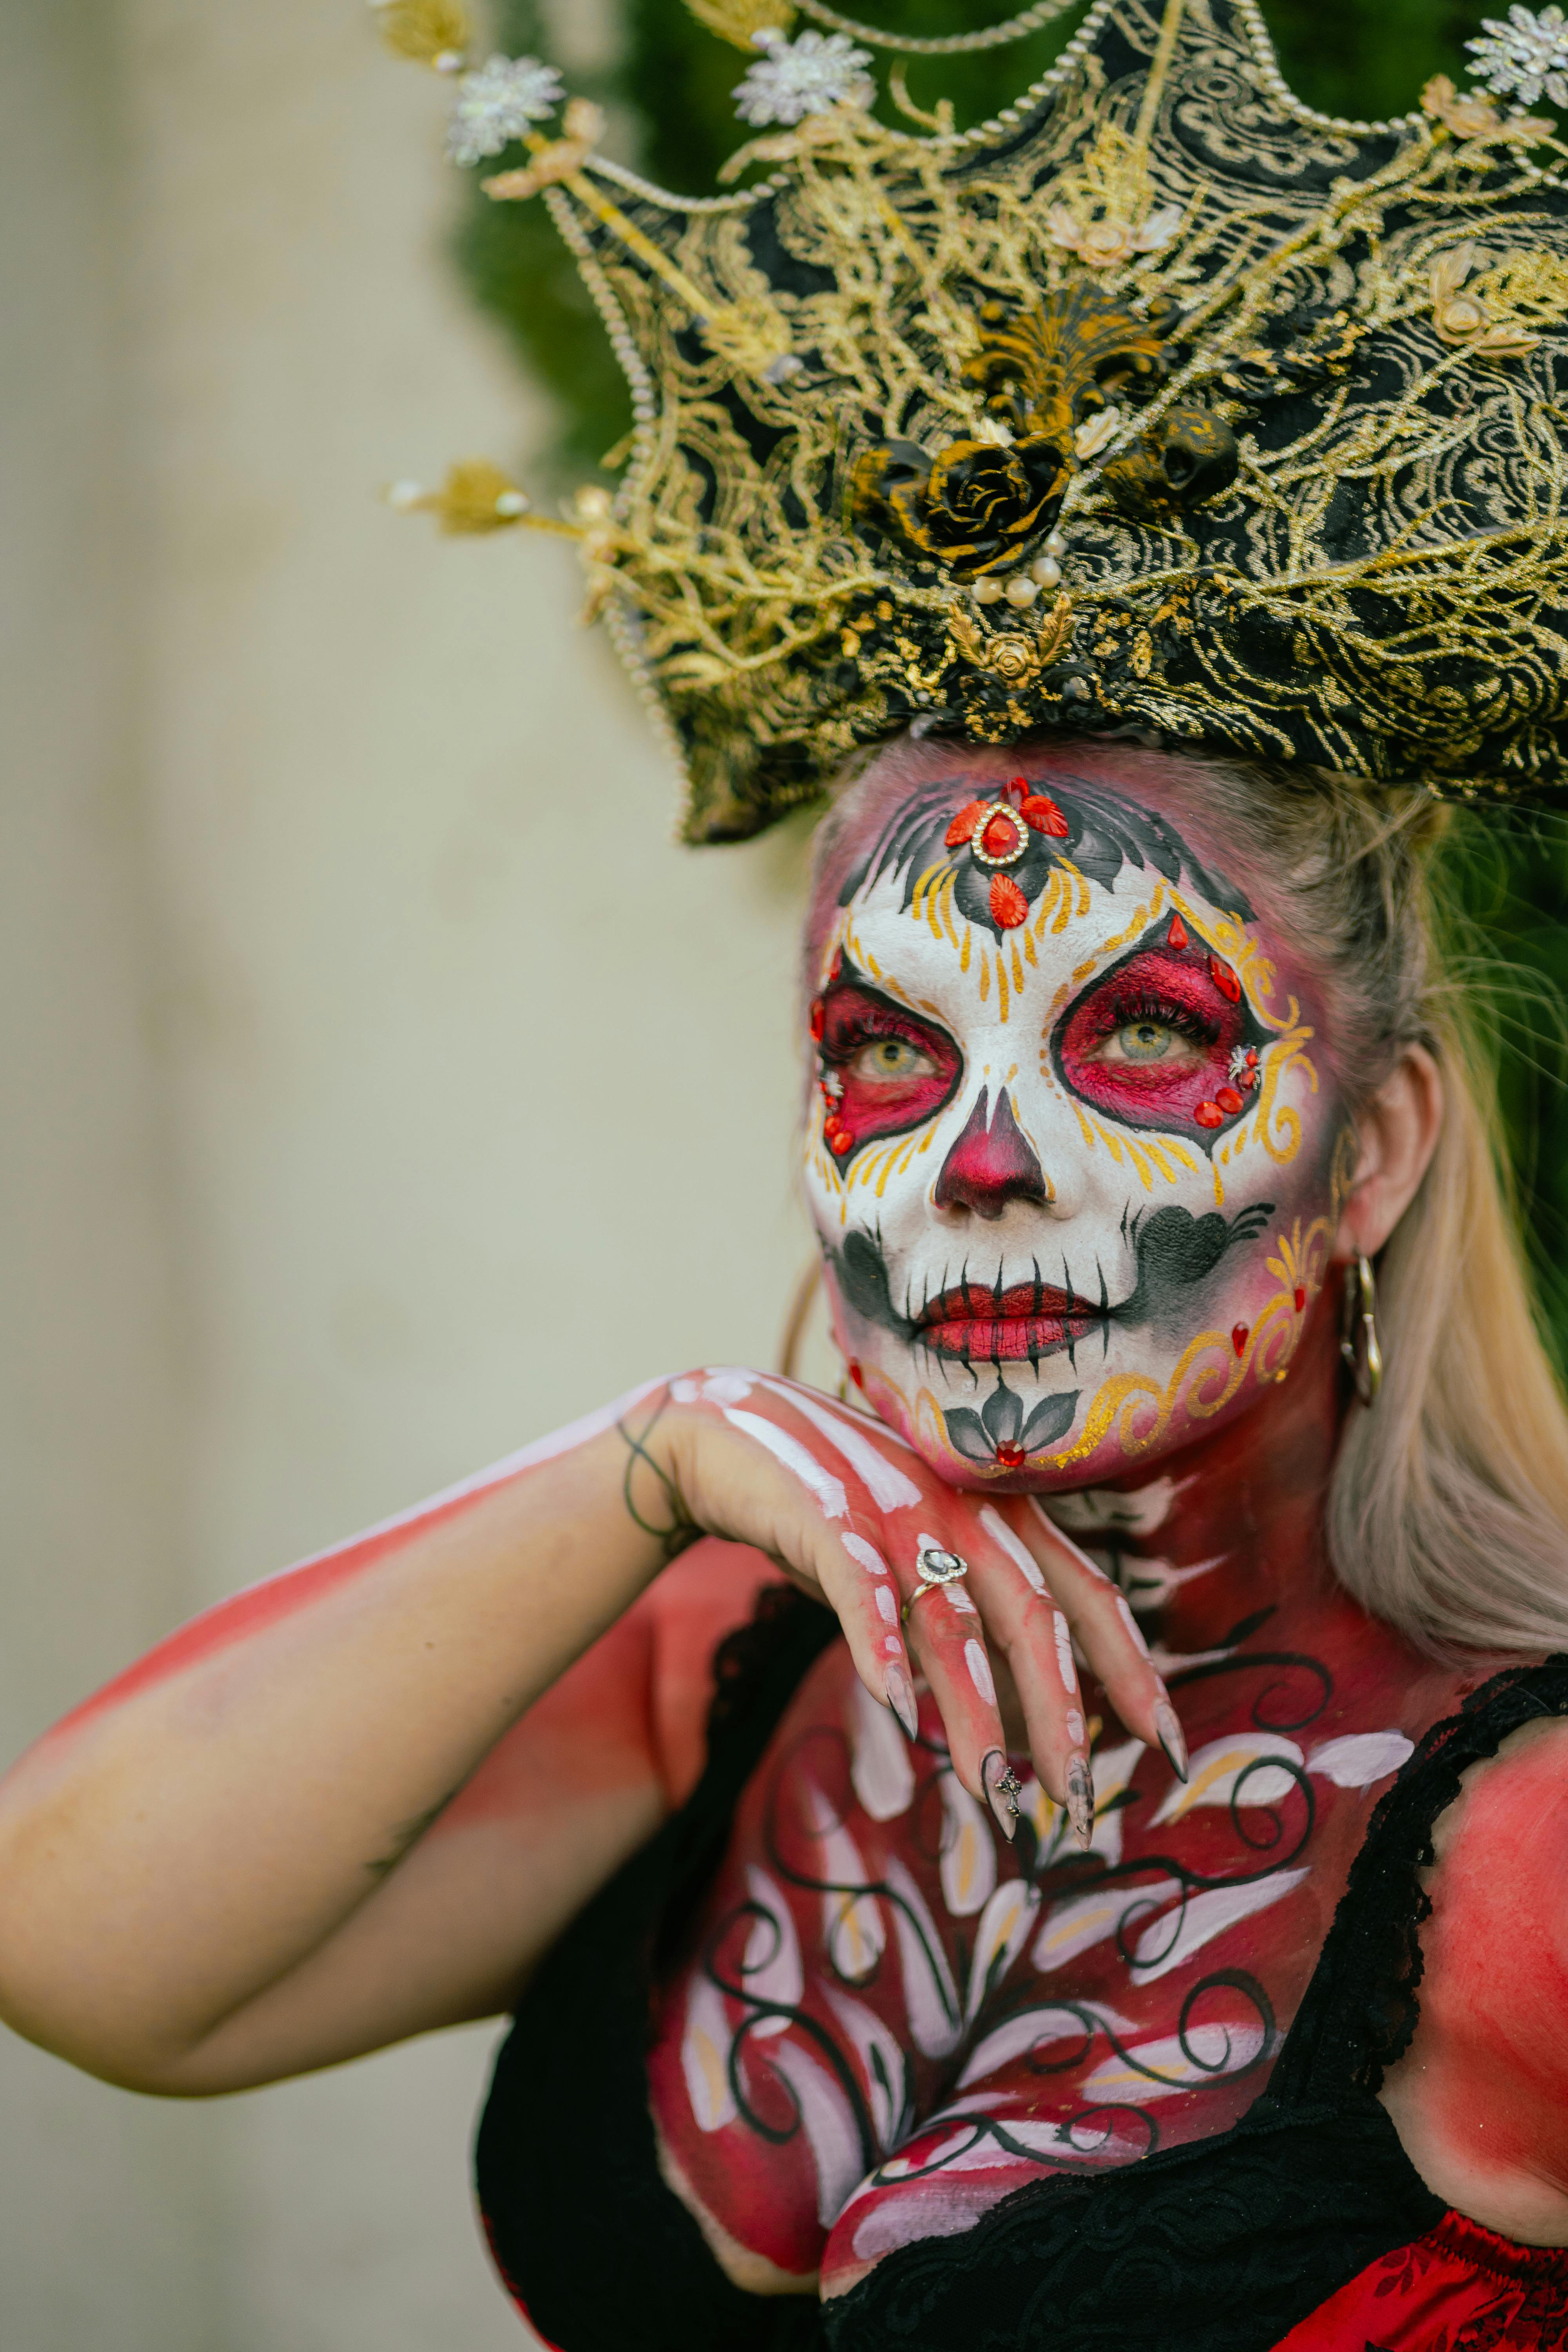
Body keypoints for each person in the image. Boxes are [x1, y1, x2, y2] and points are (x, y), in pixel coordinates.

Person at [5, 2, 1568, 2347]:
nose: (990, 1157)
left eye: (1140, 1037)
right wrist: (654, 1459)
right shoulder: (716, 1677)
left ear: (1379, 1153)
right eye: (882, 1050)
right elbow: (89, 1959)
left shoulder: (1526, 1861)